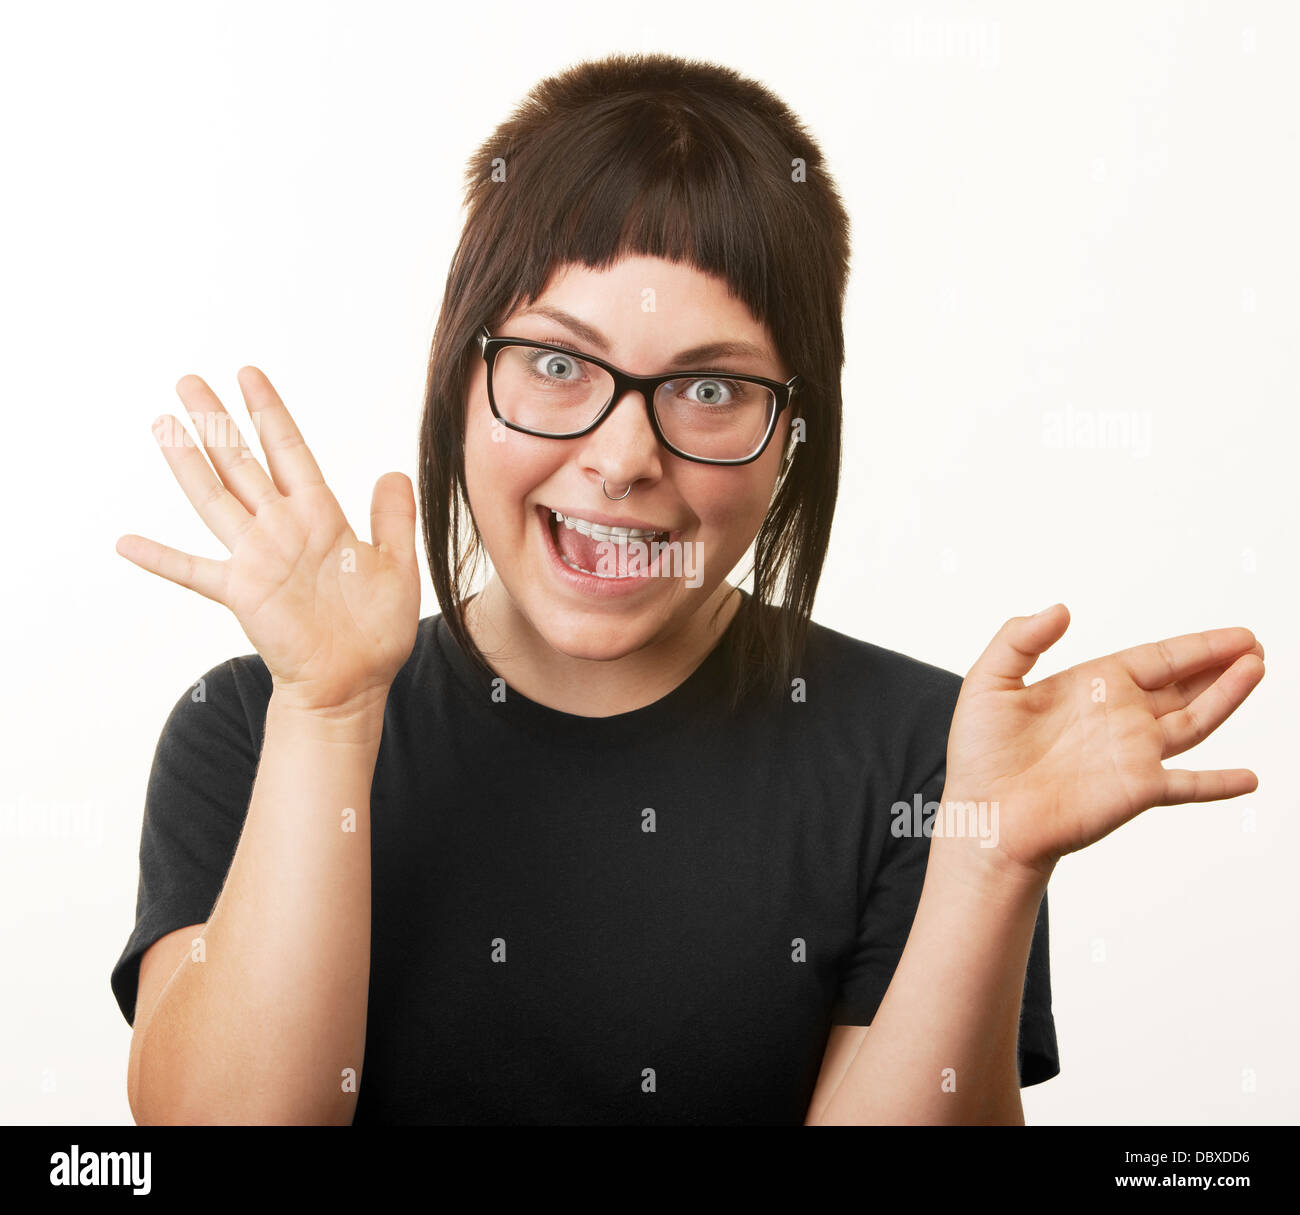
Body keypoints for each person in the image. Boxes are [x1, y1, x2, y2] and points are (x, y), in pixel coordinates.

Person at [110, 52, 1264, 1126]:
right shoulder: (252, 725)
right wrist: (327, 717)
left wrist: (989, 863)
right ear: (461, 378)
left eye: (709, 390)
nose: (622, 458)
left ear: (794, 437)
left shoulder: (939, 758)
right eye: (556, 364)